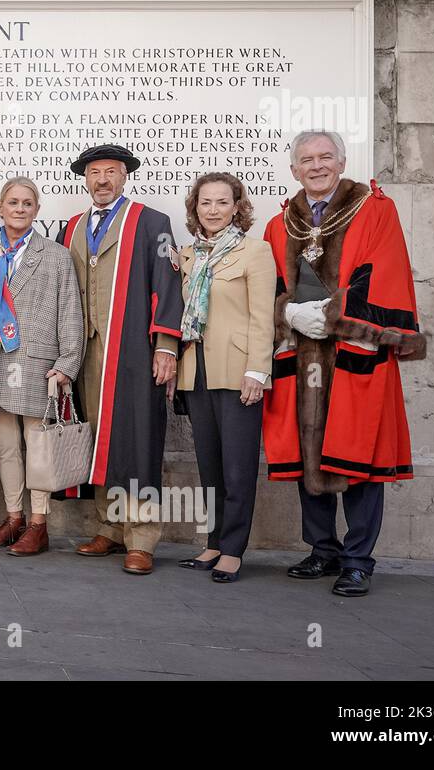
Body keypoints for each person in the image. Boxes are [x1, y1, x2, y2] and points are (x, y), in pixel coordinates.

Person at [265, 130, 425, 597]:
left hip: (356, 352)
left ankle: (358, 560)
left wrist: (332, 315)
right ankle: (323, 550)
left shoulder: (375, 209)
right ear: (294, 168)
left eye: (325, 157)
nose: (316, 166)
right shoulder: (281, 224)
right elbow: (270, 282)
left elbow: (384, 272)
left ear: (341, 161)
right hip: (300, 352)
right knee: (307, 450)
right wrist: (288, 312)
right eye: (306, 160)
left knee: (359, 454)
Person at [58, 144, 184, 575]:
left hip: (132, 350)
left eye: (112, 172)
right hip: (86, 350)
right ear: (86, 179)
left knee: (136, 437)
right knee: (94, 438)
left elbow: (168, 285)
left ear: (125, 176)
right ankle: (110, 528)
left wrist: (167, 345)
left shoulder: (152, 223)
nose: (103, 180)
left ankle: (142, 536)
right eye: (95, 173)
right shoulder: (71, 227)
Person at [173, 173, 275, 583]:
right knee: (209, 466)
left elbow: (263, 317)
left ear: (237, 206)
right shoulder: (186, 255)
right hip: (196, 372)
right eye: (205, 203)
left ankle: (233, 549)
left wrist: (257, 370)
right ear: (195, 209)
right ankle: (213, 542)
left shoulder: (256, 252)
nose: (212, 210)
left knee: (237, 467)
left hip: (238, 373)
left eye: (221, 202)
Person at [0, 176, 83, 557]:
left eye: (27, 203)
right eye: (13, 203)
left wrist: (67, 363)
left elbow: (71, 312)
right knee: (6, 447)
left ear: (37, 211)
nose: (19, 209)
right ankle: (13, 517)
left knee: (37, 446)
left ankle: (39, 523)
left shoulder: (54, 255)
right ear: (0, 208)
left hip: (37, 363)